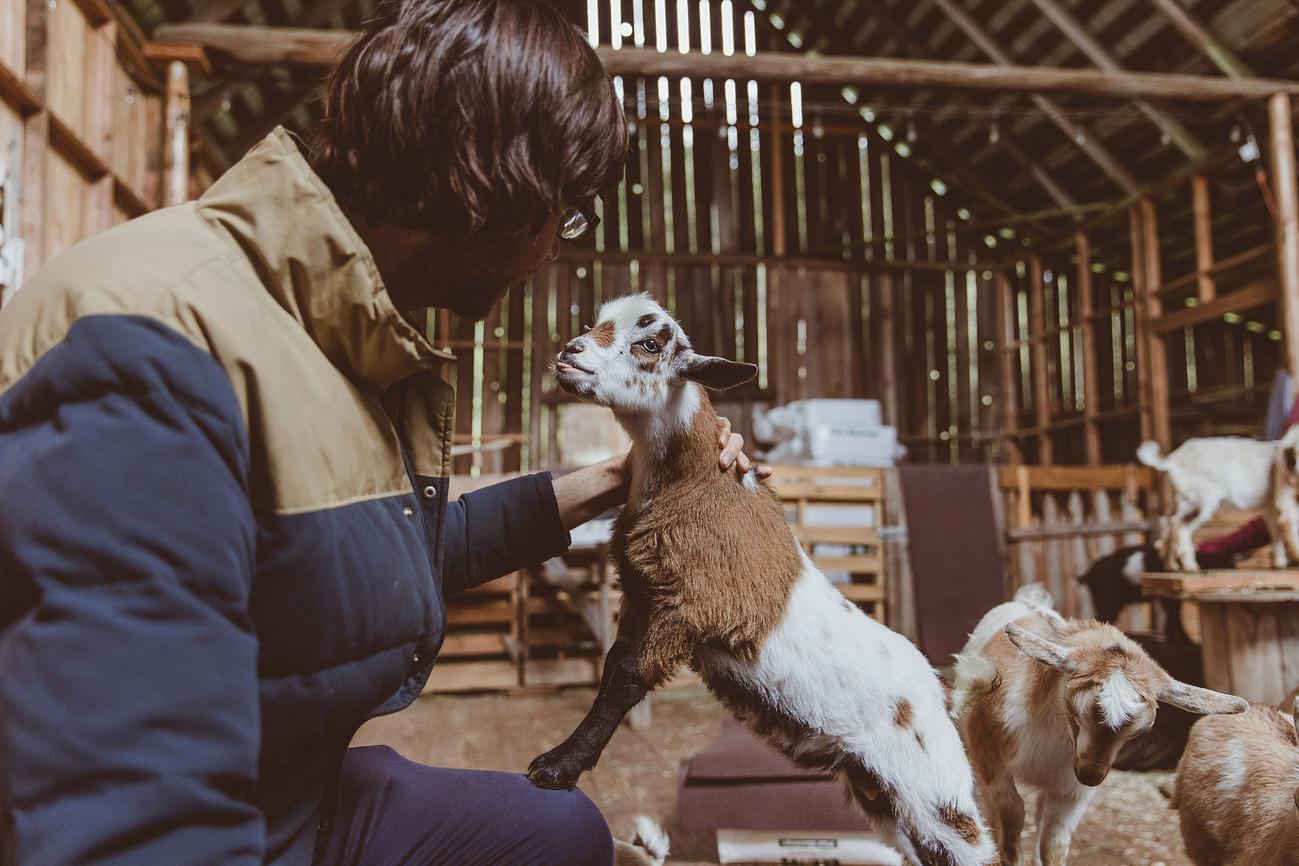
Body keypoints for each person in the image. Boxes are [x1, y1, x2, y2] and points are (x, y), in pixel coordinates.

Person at [0, 2, 758, 864]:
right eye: (566, 214)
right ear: (487, 193)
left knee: (560, 830)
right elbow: (132, 821)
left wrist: (627, 475)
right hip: (219, 820)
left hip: (283, 788)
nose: (554, 248)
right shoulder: (152, 342)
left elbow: (376, 551)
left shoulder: (321, 331)